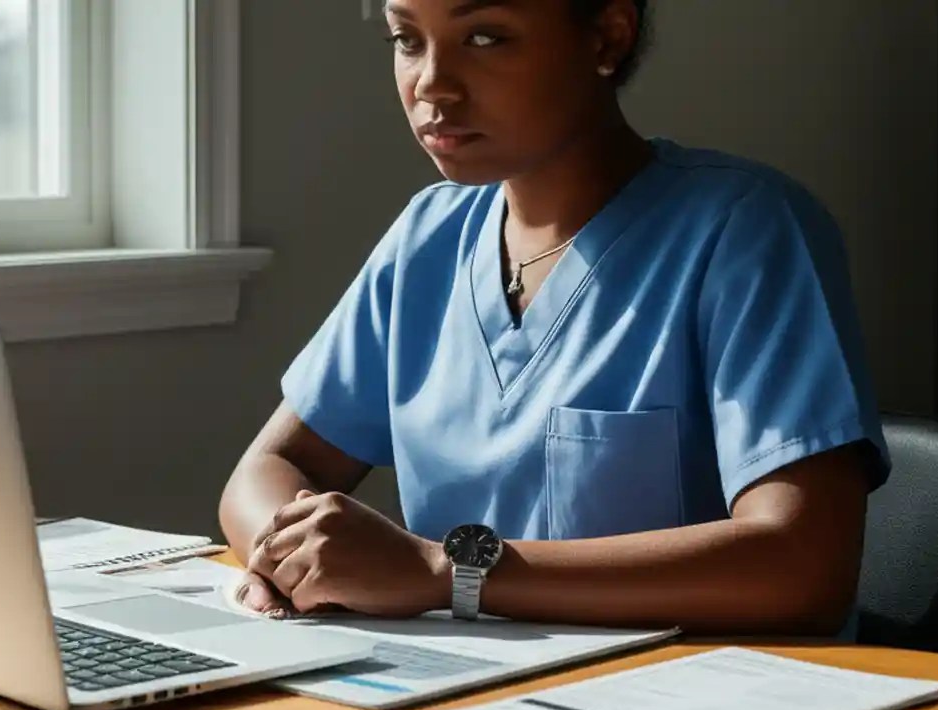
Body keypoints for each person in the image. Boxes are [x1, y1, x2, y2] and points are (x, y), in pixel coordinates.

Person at [218, 0, 890, 637]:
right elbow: (268, 467)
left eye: (484, 37)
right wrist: (295, 554)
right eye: (407, 40)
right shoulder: (428, 237)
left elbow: (802, 567)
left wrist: (446, 573)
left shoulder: (743, 233)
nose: (432, 85)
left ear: (607, 37)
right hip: (457, 685)